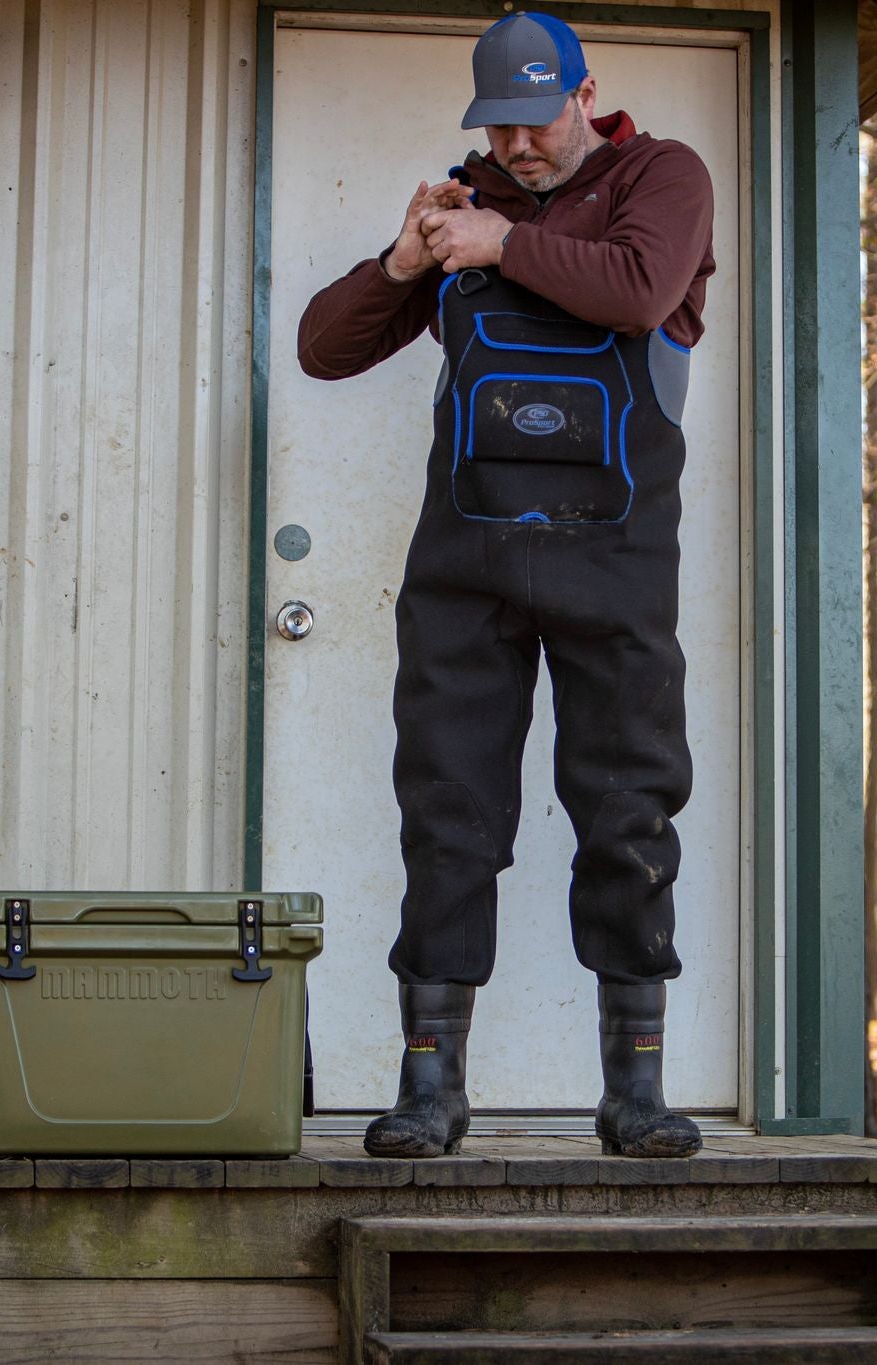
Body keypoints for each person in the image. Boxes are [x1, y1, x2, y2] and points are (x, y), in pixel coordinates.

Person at [297, 11, 716, 1160]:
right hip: (465, 572)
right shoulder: (461, 205)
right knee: (447, 819)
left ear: (584, 95)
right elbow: (323, 349)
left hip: (614, 567)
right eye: (500, 127)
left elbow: (638, 290)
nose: (518, 146)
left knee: (628, 816)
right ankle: (429, 1088)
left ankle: (634, 1093)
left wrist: (498, 244)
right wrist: (405, 259)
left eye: (536, 120)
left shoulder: (660, 179)